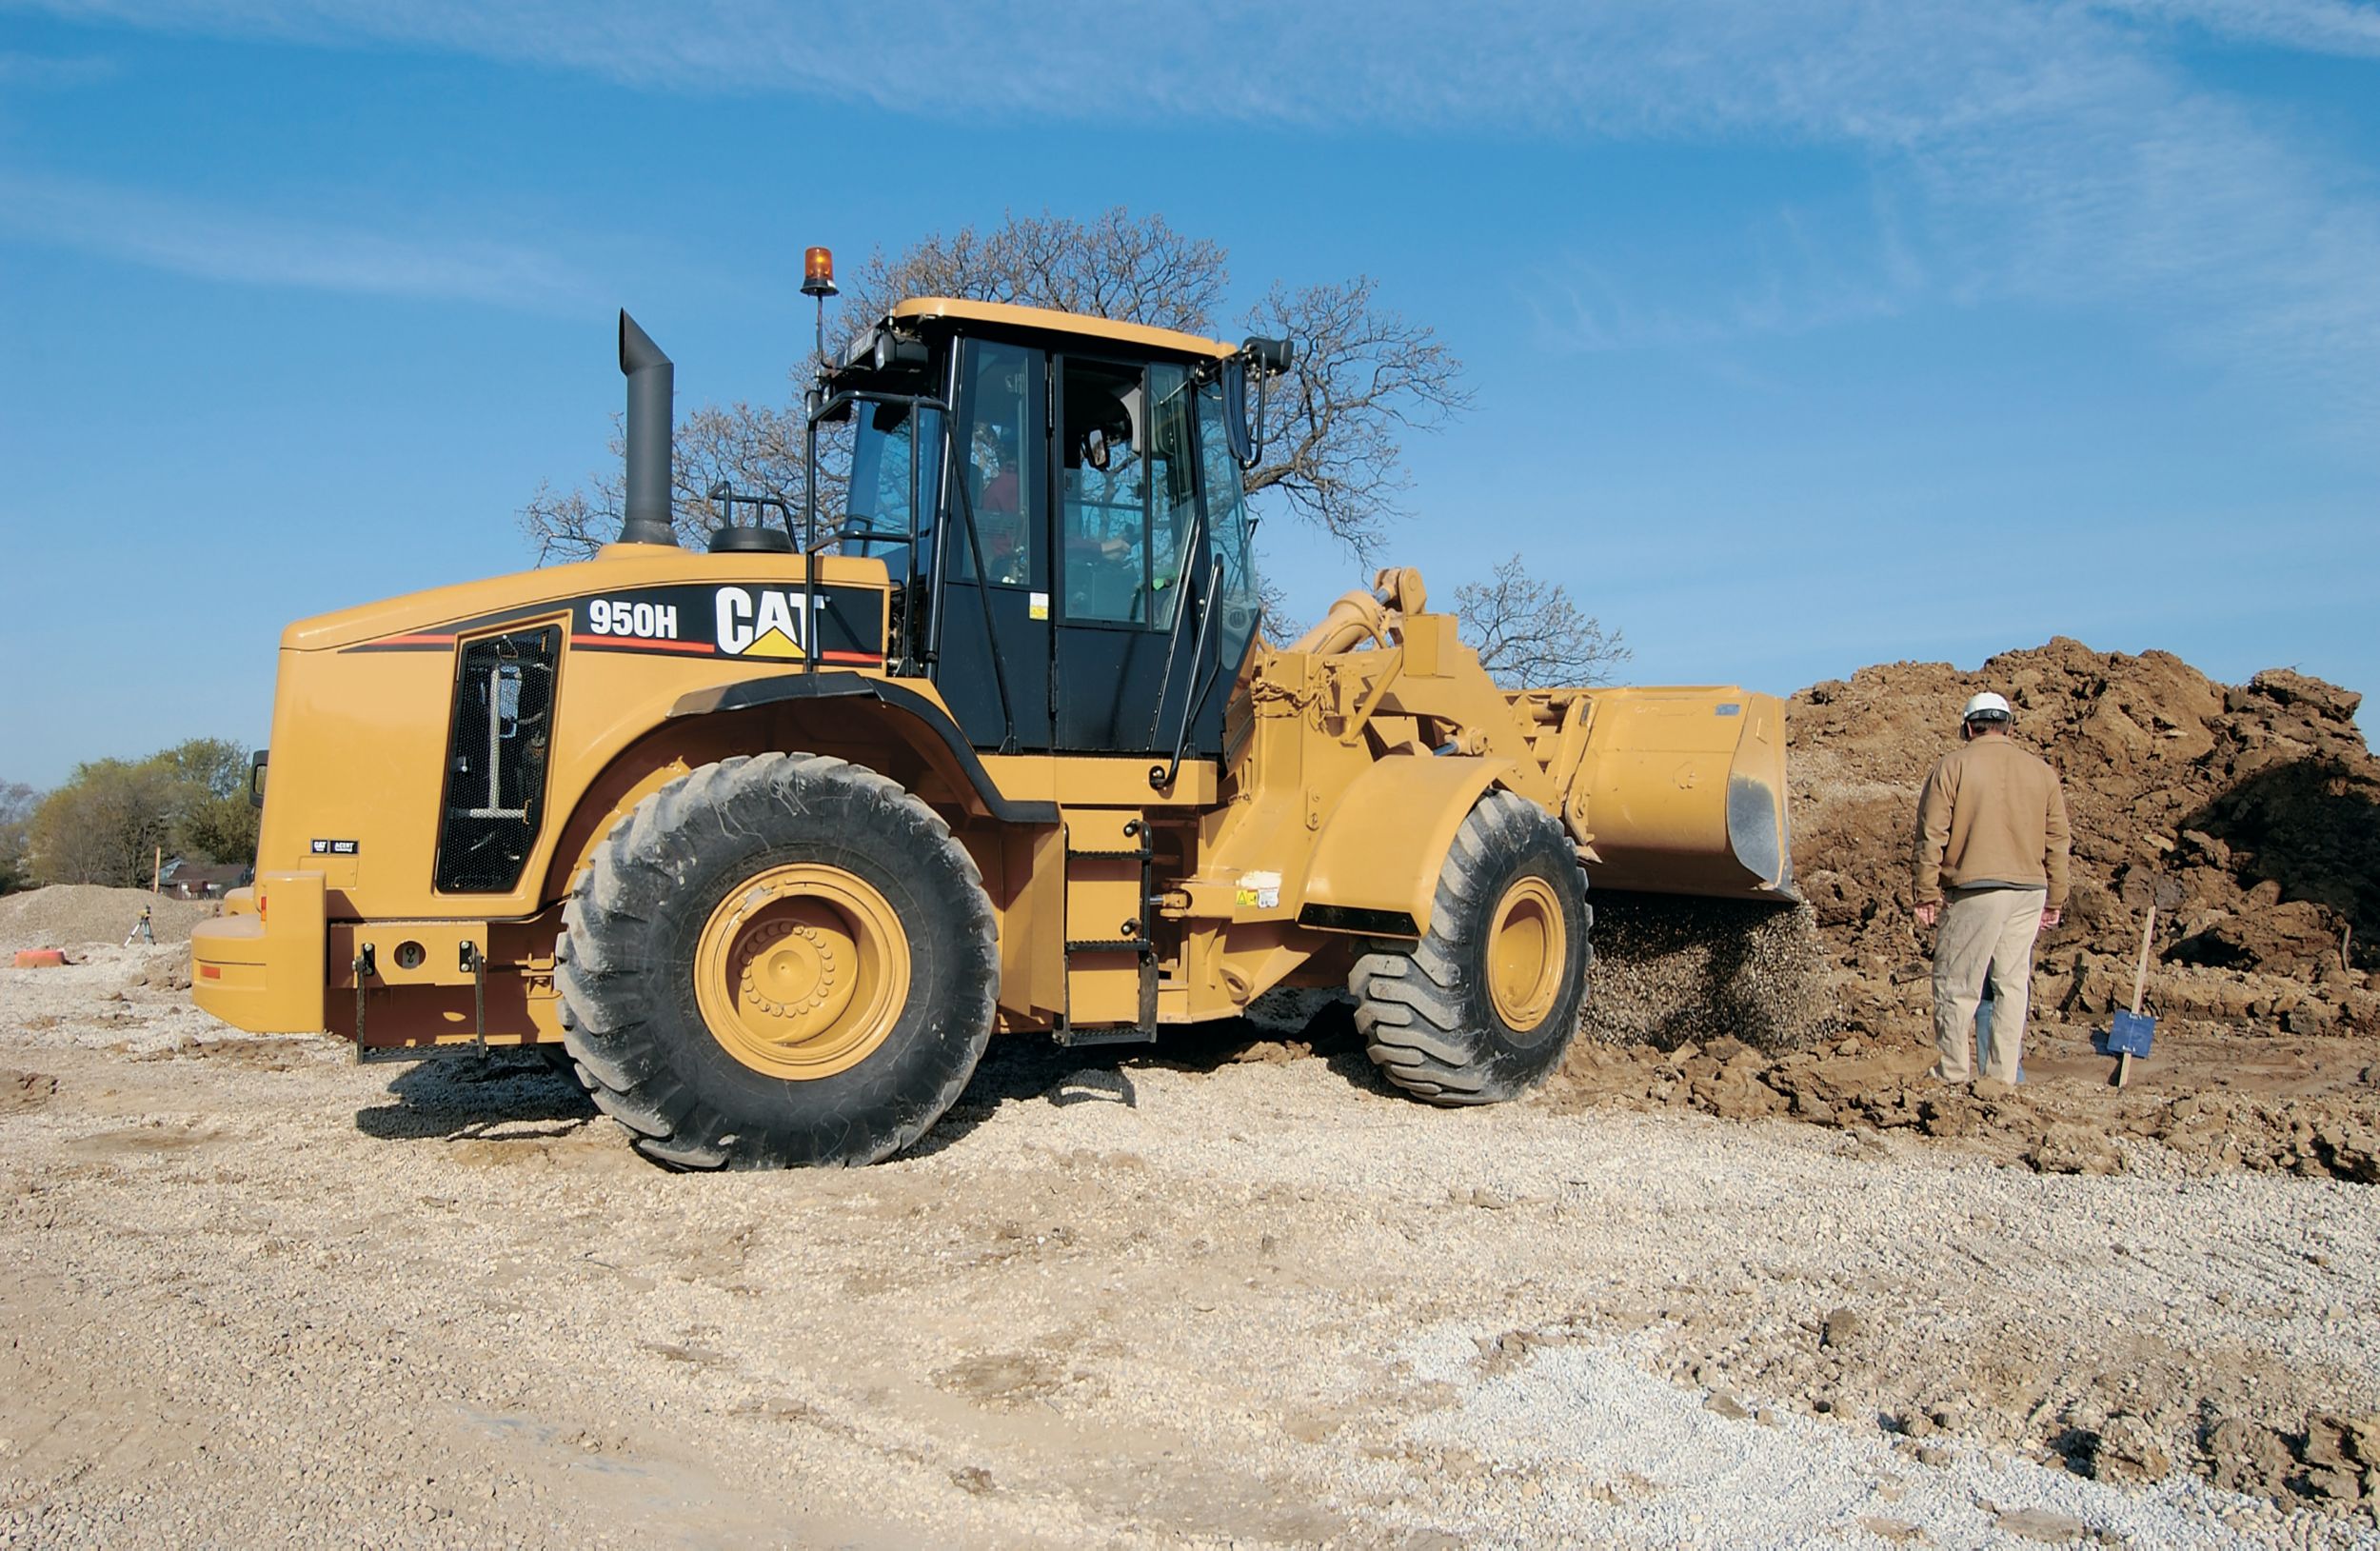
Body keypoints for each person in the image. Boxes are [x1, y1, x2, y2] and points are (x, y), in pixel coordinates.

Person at [1913, 691, 2072, 1084]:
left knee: (1956, 982)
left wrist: (1926, 891)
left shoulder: (1951, 767)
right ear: (2009, 726)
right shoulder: (2041, 772)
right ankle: (2001, 1079)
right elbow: (2058, 840)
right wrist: (2056, 897)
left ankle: (1952, 1071)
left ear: (1968, 727)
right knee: (2011, 985)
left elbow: (1931, 835)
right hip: (2029, 892)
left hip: (1975, 891)